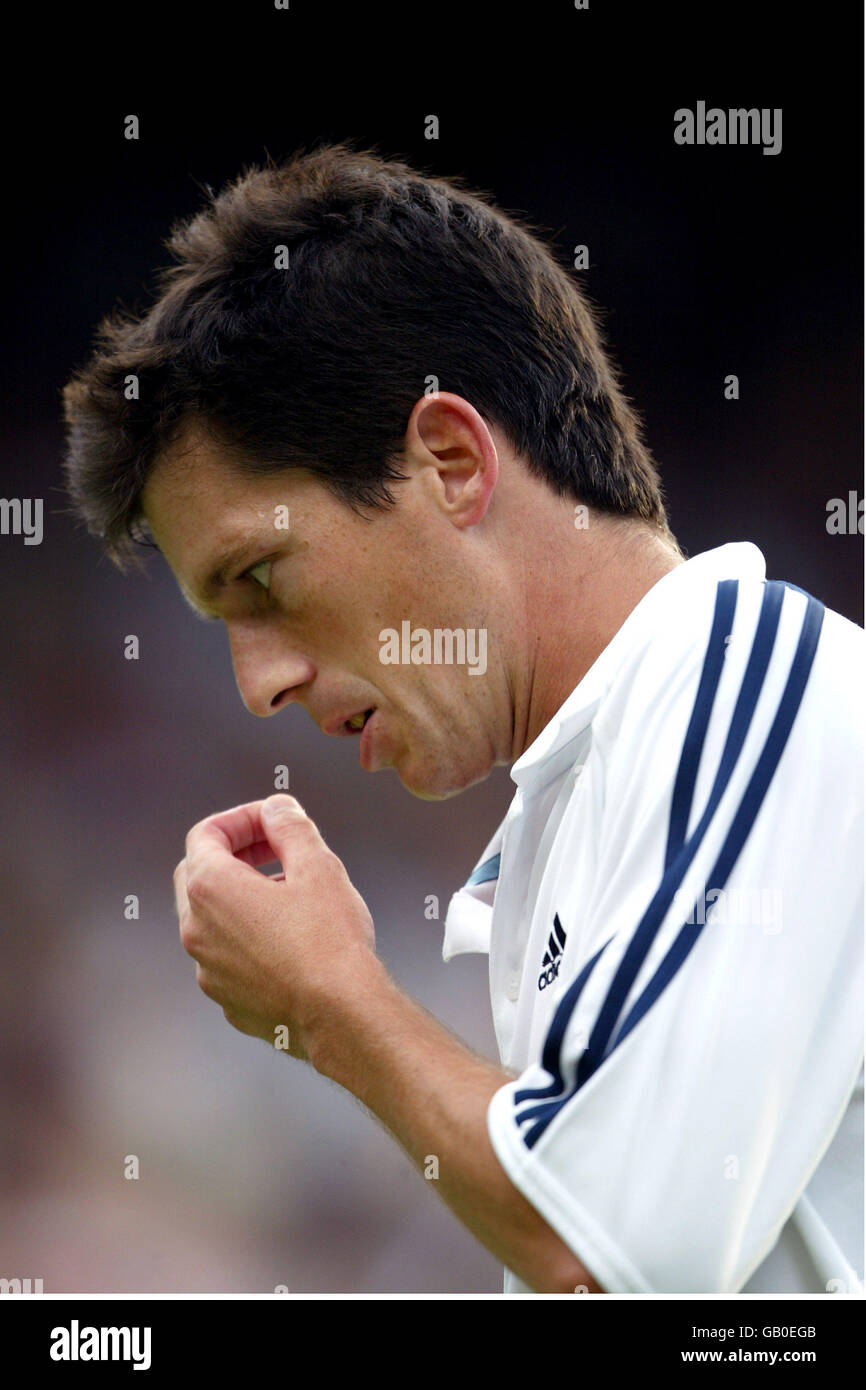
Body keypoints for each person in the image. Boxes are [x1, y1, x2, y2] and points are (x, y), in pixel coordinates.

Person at [62, 144, 863, 1294]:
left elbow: (606, 1251)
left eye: (264, 579)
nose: (257, 686)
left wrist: (332, 1002)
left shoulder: (745, 686)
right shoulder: (575, 797)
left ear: (446, 460)